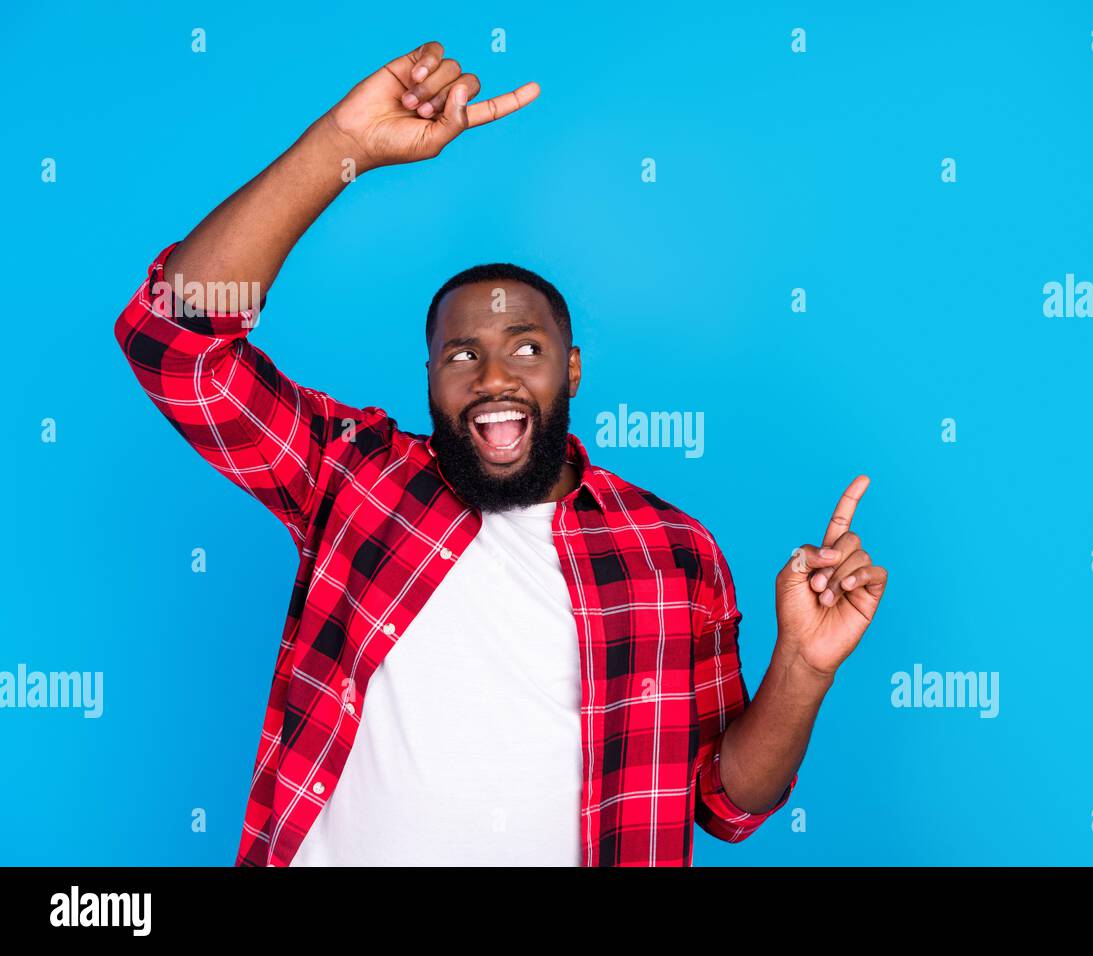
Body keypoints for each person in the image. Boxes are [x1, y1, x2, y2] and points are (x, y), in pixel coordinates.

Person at [112, 40, 888, 867]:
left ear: (573, 368)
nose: (493, 378)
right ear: (429, 379)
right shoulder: (351, 478)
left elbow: (727, 804)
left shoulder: (674, 553)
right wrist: (343, 145)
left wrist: (802, 666)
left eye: (526, 349)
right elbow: (173, 343)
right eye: (460, 355)